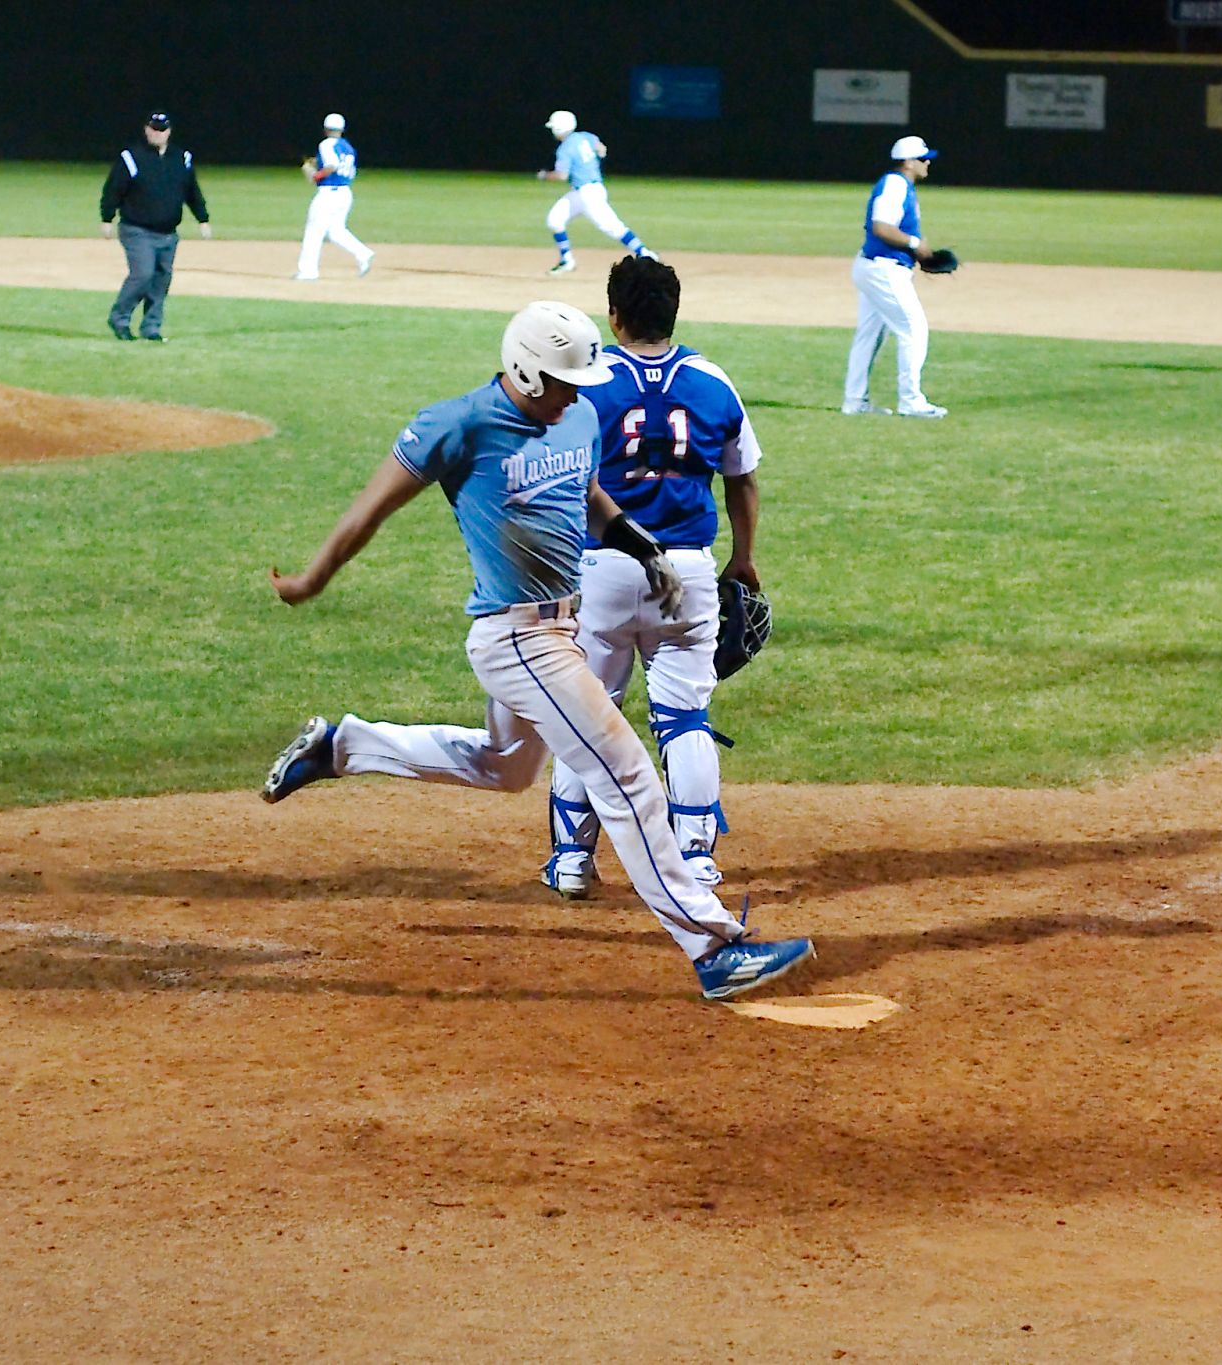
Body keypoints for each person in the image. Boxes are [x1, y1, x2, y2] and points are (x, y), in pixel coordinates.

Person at [259, 300, 813, 1002]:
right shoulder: (456, 425)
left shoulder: (574, 414)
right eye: (564, 381)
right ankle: (711, 947)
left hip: (564, 628)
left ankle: (340, 747)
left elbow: (586, 493)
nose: (578, 394)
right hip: (513, 636)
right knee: (629, 774)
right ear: (523, 370)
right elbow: (370, 509)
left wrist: (645, 550)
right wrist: (312, 580)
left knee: (507, 766)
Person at [541, 257, 762, 901]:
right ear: (674, 311)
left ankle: (572, 862)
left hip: (599, 567)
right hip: (687, 570)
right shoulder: (712, 381)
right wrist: (743, 559)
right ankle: (695, 861)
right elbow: (742, 480)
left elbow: (553, 479)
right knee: (686, 717)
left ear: (613, 314)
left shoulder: (587, 380)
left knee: (587, 716)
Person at [842, 135, 947, 419]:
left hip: (877, 267)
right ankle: (911, 402)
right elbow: (881, 227)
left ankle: (855, 402)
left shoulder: (901, 186)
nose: (928, 163)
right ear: (909, 162)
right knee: (913, 330)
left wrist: (920, 254)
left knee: (870, 335)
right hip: (882, 270)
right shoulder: (895, 184)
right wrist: (915, 245)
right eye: (924, 159)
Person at [100, 112, 211, 342]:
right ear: (146, 130)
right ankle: (119, 318)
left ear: (169, 131)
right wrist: (107, 218)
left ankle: (151, 328)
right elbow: (113, 189)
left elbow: (192, 191)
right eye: (153, 128)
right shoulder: (131, 157)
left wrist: (202, 218)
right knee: (142, 275)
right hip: (136, 229)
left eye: (162, 129)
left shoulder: (182, 158)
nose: (157, 133)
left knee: (161, 281)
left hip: (168, 233)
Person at [536, 110, 653, 276]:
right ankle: (567, 260)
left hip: (588, 193)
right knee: (555, 219)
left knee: (611, 227)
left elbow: (561, 175)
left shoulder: (565, 148)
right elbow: (601, 149)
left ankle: (645, 254)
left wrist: (544, 176)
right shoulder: (585, 136)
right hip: (584, 191)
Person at [294, 112, 375, 280]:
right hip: (345, 193)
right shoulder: (348, 147)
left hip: (328, 194)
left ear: (325, 128)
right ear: (342, 129)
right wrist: (316, 164)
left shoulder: (326, 144)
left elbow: (332, 165)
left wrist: (315, 175)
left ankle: (308, 271)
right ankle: (363, 253)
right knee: (336, 232)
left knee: (313, 232)